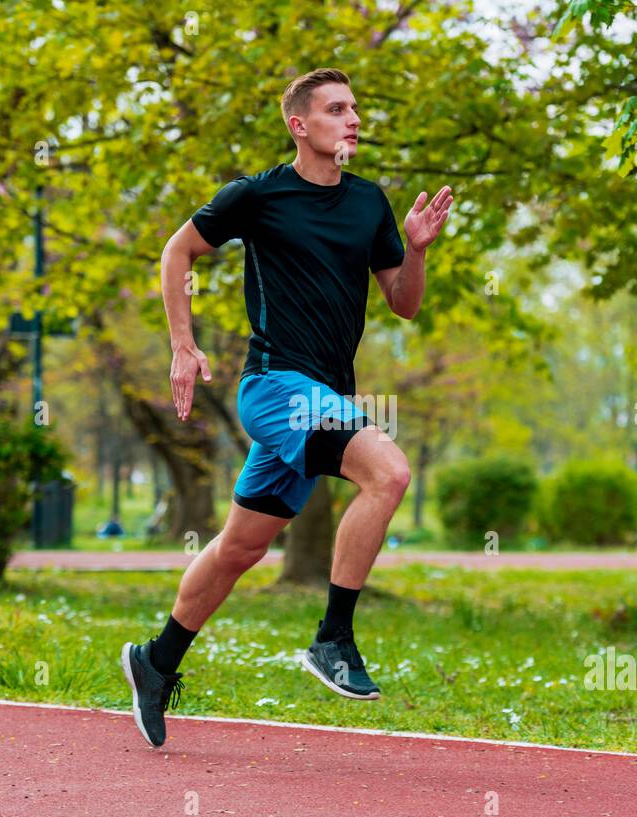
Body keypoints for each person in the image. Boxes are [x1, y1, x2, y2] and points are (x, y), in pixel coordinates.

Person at [121, 67, 452, 747]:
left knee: (241, 546)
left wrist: (416, 250)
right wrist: (182, 345)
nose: (352, 119)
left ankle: (156, 661)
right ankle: (334, 638)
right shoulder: (259, 196)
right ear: (299, 125)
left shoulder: (370, 203)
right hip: (275, 387)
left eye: (355, 108)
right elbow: (178, 250)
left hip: (326, 396)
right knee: (388, 472)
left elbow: (404, 302)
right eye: (336, 109)